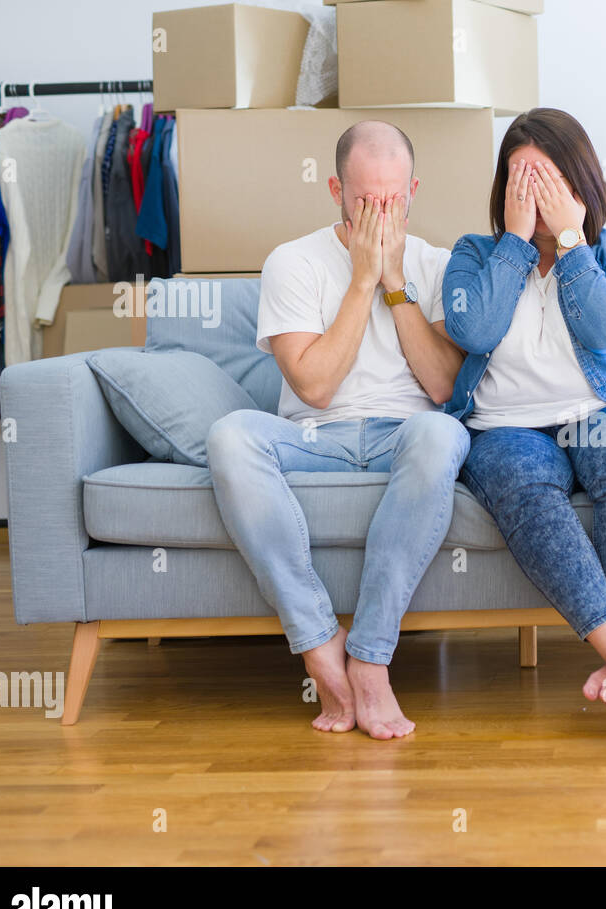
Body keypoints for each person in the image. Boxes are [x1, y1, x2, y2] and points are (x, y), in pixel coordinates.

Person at [206, 121, 468, 740]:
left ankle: (371, 659)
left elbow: (442, 390)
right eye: (363, 200)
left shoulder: (440, 265)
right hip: (313, 440)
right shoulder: (292, 262)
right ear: (334, 190)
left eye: (393, 200)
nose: (379, 215)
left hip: (404, 436)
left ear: (415, 190)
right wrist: (360, 281)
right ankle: (321, 644)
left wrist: (396, 284)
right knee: (230, 437)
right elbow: (316, 387)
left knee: (442, 434)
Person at [442, 108, 606, 725]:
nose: (530, 192)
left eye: (545, 178)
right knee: (521, 482)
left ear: (579, 183)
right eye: (517, 178)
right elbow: (472, 329)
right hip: (507, 426)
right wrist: (515, 245)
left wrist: (573, 242)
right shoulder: (473, 254)